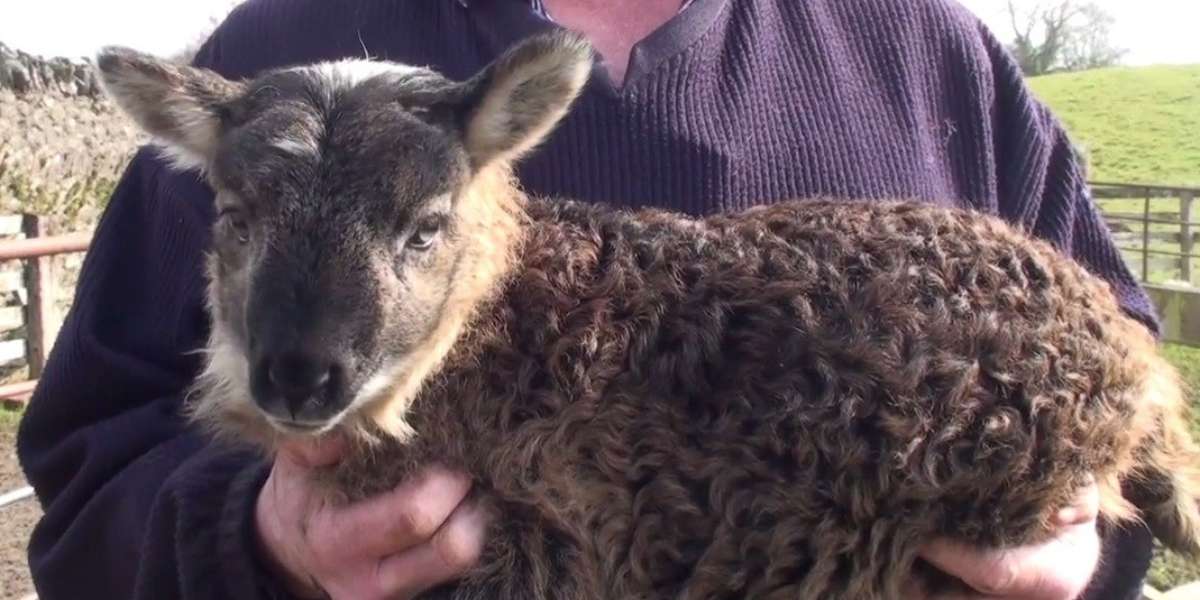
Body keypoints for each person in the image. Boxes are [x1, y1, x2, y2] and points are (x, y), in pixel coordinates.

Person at [17, 0, 1159, 598]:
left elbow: (1134, 407)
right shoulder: (279, 66)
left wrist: (1077, 555)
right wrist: (256, 544)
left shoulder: (926, 48)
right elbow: (86, 485)